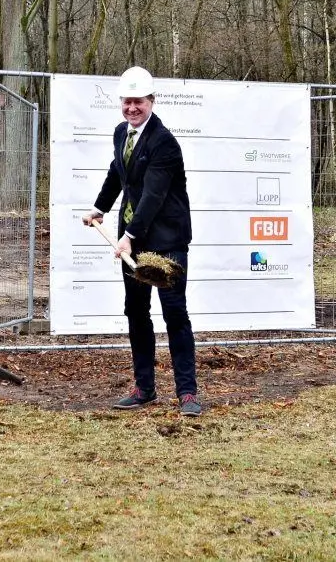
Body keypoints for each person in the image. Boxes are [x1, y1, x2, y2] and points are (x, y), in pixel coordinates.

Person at [81, 66, 201, 417]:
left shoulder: (165, 143)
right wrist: (100, 208)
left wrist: (129, 237)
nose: (132, 108)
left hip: (166, 241)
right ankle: (144, 387)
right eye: (127, 101)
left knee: (175, 314)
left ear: (152, 101)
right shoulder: (122, 133)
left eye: (139, 102)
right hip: (133, 238)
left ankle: (188, 392)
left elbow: (153, 195)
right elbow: (117, 173)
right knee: (136, 312)